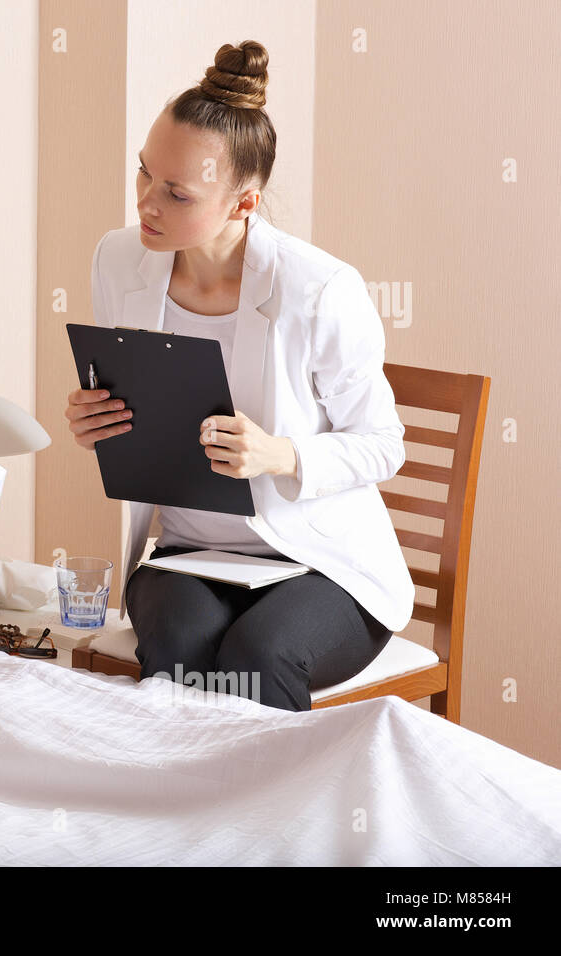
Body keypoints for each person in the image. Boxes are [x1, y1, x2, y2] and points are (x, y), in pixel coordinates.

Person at [65, 40, 414, 712]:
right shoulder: (119, 261)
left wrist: (278, 453)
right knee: (180, 644)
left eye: (176, 192)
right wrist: (96, 424)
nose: (147, 202)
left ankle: (270, 819)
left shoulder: (319, 290)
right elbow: (138, 416)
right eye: (143, 174)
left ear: (243, 205)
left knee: (258, 657)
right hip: (188, 553)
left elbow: (383, 443)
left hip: (319, 564)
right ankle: (178, 811)